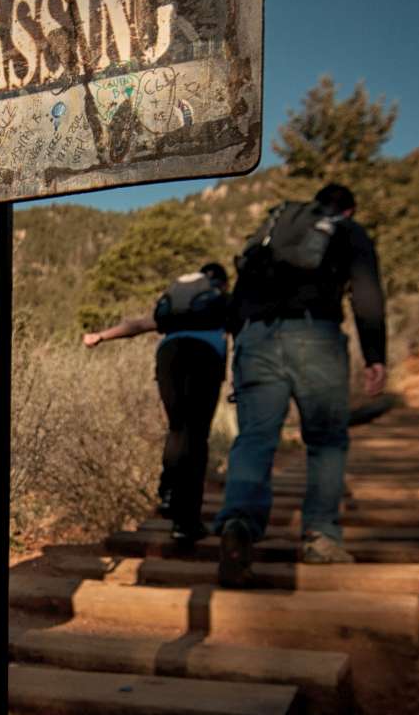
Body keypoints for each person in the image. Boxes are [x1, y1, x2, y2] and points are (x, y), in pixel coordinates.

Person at [214, 182, 387, 585]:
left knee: (254, 439)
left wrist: (240, 346)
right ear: (348, 209)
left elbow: (239, 293)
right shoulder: (347, 230)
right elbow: (366, 291)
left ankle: (238, 523)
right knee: (326, 440)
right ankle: (320, 536)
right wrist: (375, 354)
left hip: (255, 339)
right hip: (316, 337)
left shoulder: (276, 228)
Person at [83, 261, 230, 548]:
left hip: (170, 355)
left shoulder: (177, 308)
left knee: (177, 428)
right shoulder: (221, 302)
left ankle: (170, 493)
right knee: (197, 436)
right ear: (222, 284)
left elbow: (138, 325)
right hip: (205, 357)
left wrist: (100, 336)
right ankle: (186, 523)